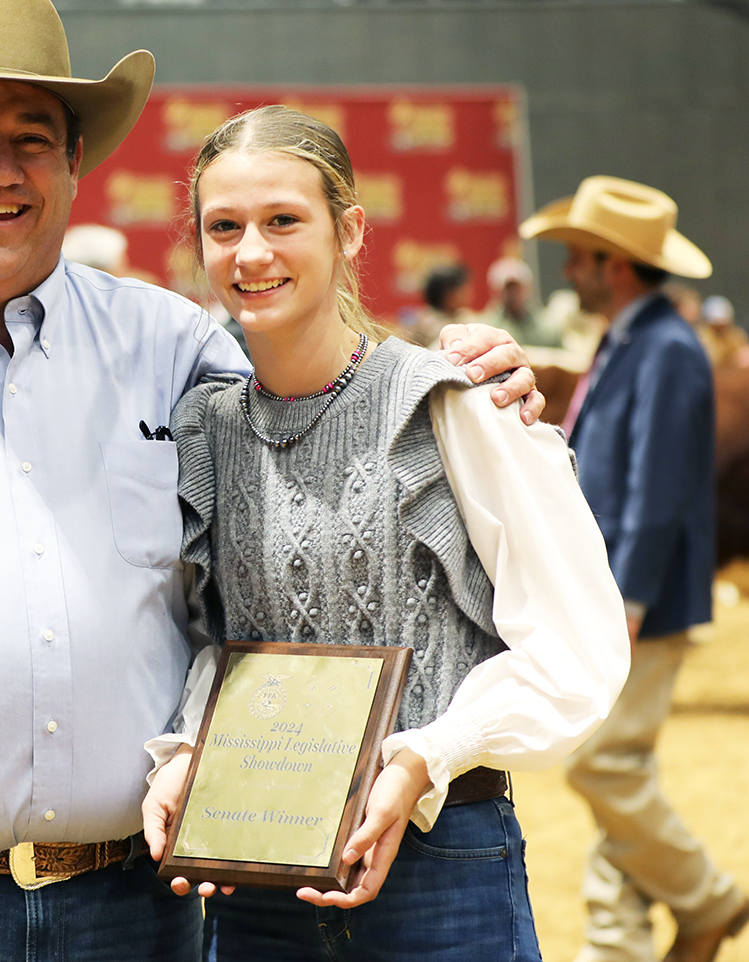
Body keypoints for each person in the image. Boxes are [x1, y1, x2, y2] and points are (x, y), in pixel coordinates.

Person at [0, 0, 543, 961]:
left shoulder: (176, 349)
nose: (0, 170)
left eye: (32, 138)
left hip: (139, 905)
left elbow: (333, 413)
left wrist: (458, 379)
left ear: (74, 160)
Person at [139, 105, 628, 962]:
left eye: (283, 221)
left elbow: (575, 645)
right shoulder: (204, 427)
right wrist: (188, 752)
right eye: (224, 228)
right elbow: (219, 641)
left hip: (440, 871)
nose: (250, 253)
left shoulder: (452, 402)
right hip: (258, 877)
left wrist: (422, 760)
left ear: (350, 231)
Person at [522, 175, 749, 962]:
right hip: (621, 591)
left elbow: (658, 489)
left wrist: (627, 598)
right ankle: (614, 942)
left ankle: (709, 898)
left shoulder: (666, 348)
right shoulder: (635, 340)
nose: (568, 271)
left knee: (603, 764)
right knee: (620, 769)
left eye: (578, 257)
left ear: (614, 265)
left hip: (637, 598)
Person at [486, 256, 562, 348]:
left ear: (528, 289)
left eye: (517, 288)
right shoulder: (488, 328)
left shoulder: (547, 329)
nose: (513, 294)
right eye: (509, 288)